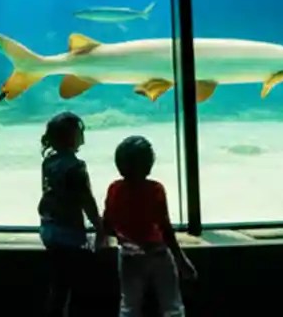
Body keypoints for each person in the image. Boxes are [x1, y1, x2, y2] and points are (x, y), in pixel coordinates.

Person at [101, 135, 196, 317]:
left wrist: (121, 239)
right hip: (158, 252)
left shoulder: (114, 189)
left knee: (129, 306)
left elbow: (108, 224)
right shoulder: (155, 189)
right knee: (172, 305)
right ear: (148, 163)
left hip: (129, 254)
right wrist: (181, 259)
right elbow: (165, 227)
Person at [38, 112, 103, 316]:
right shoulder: (77, 166)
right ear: (72, 136)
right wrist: (100, 227)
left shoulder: (48, 163)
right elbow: (87, 201)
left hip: (49, 228)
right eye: (80, 132)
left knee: (58, 284)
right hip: (69, 234)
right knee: (73, 286)